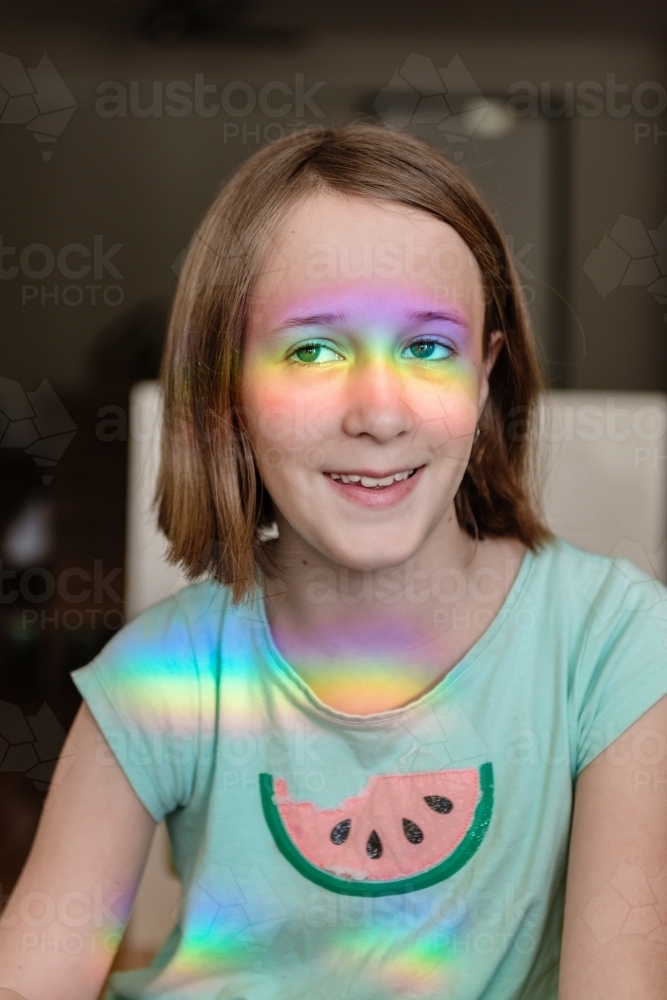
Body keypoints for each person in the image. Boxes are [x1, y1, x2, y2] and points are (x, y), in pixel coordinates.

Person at [1, 123, 666, 1000]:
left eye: (428, 348)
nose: (378, 413)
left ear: (485, 380)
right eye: (312, 350)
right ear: (227, 395)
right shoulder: (163, 673)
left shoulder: (614, 643)